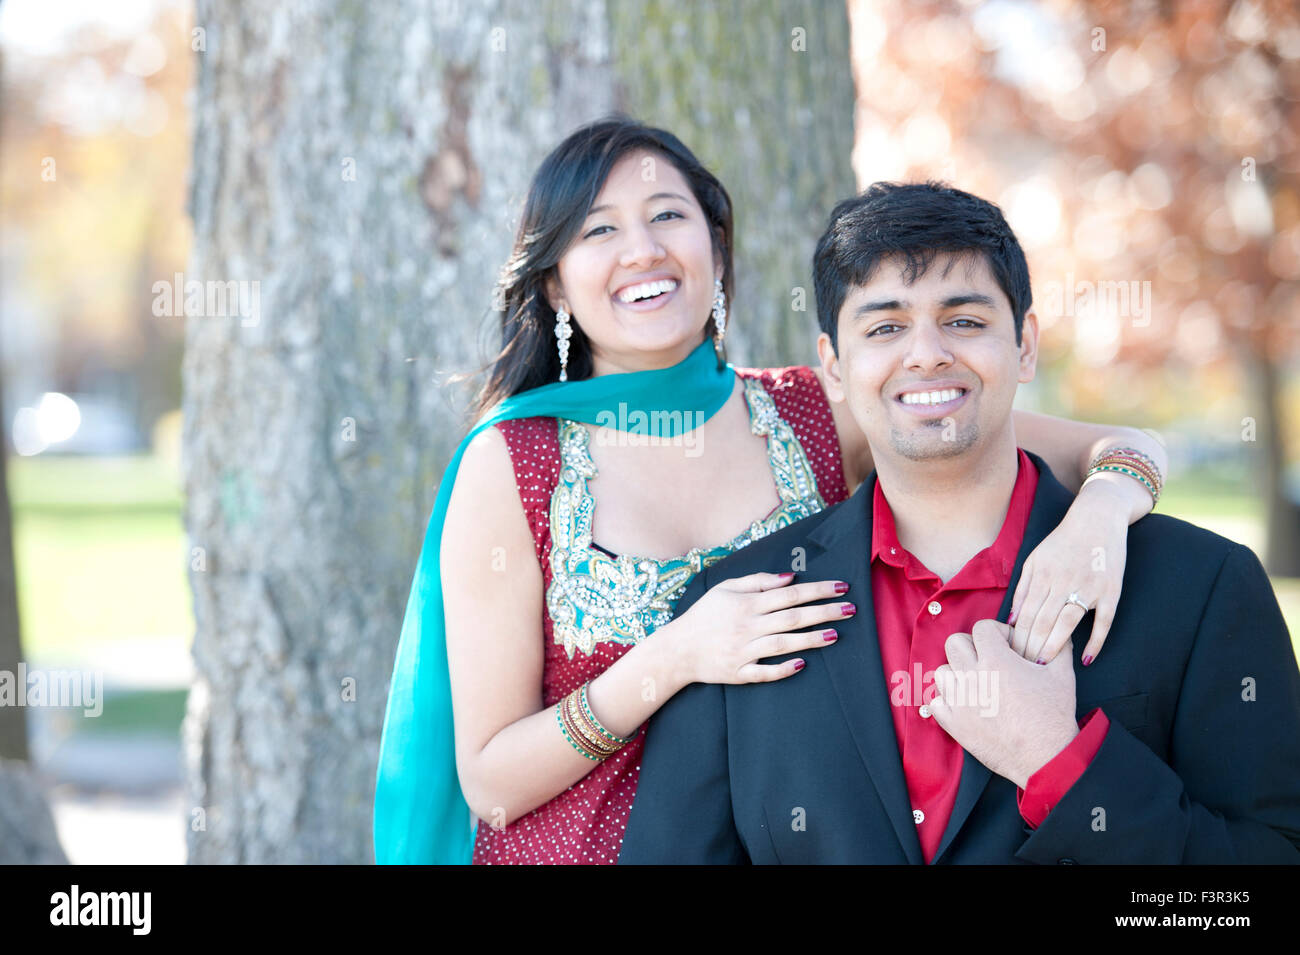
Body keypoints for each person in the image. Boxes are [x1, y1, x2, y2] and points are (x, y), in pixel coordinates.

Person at [373, 118, 1169, 865]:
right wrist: (676, 655)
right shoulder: (515, 461)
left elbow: (1124, 445)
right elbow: (490, 780)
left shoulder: (815, 414)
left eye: (667, 216)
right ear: (554, 286)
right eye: (599, 229)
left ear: (716, 251)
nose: (642, 250)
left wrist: (1102, 513)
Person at [618, 180, 1300, 865]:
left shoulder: (1204, 587)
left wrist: (1056, 761)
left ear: (1025, 344)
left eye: (965, 320)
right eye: (885, 327)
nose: (926, 354)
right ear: (832, 365)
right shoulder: (731, 612)